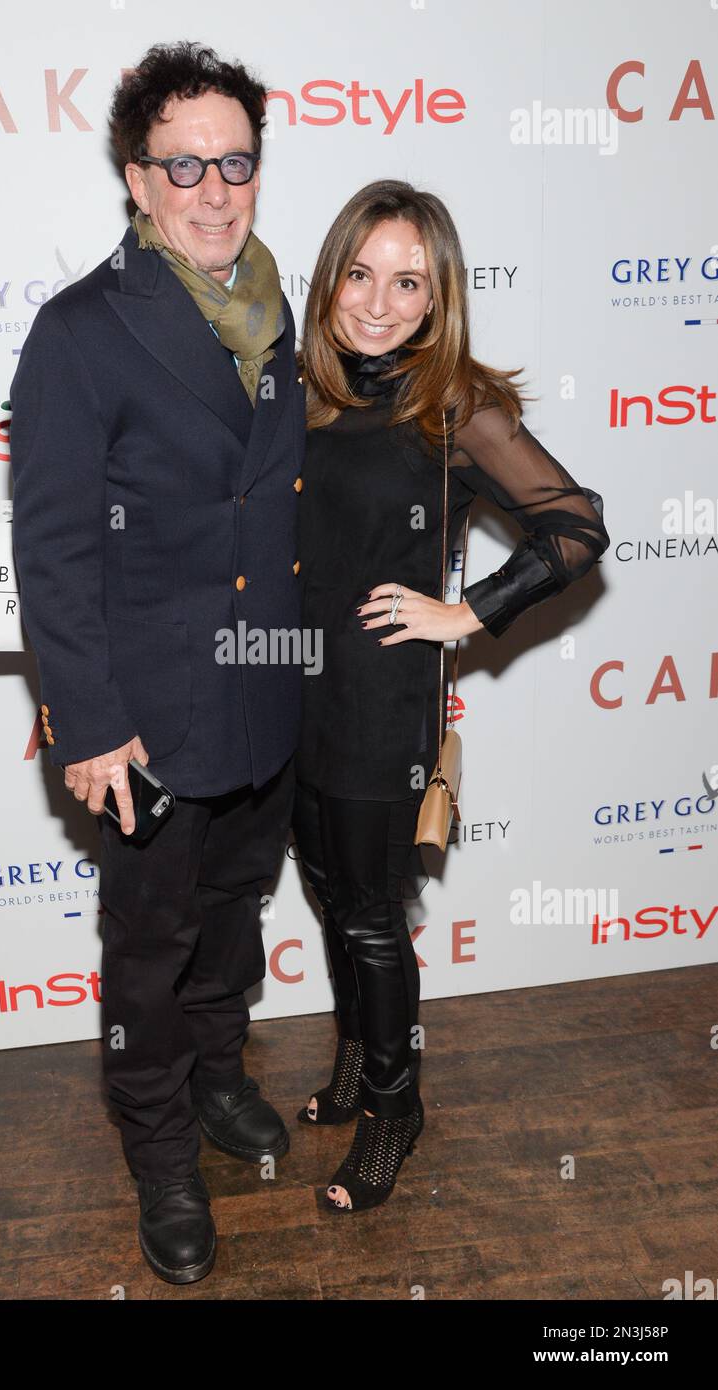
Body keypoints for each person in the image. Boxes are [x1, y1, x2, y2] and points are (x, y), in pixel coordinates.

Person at [9, 41, 304, 1285]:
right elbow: (56, 546)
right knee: (150, 944)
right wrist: (84, 722)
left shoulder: (285, 305)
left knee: (234, 918)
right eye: (185, 163)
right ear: (138, 178)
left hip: (265, 689)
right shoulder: (81, 330)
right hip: (145, 719)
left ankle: (223, 1071)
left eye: (234, 160)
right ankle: (161, 1147)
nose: (214, 187)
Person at [292, 180, 610, 1213]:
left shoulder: (453, 408)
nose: (380, 303)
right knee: (332, 894)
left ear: (439, 300)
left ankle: (395, 1110)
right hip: (288, 689)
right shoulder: (299, 391)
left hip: (382, 702)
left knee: (375, 918)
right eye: (362, 274)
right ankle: (353, 1064)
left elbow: (577, 525)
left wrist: (466, 613)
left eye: (409, 283)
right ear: (333, 274)